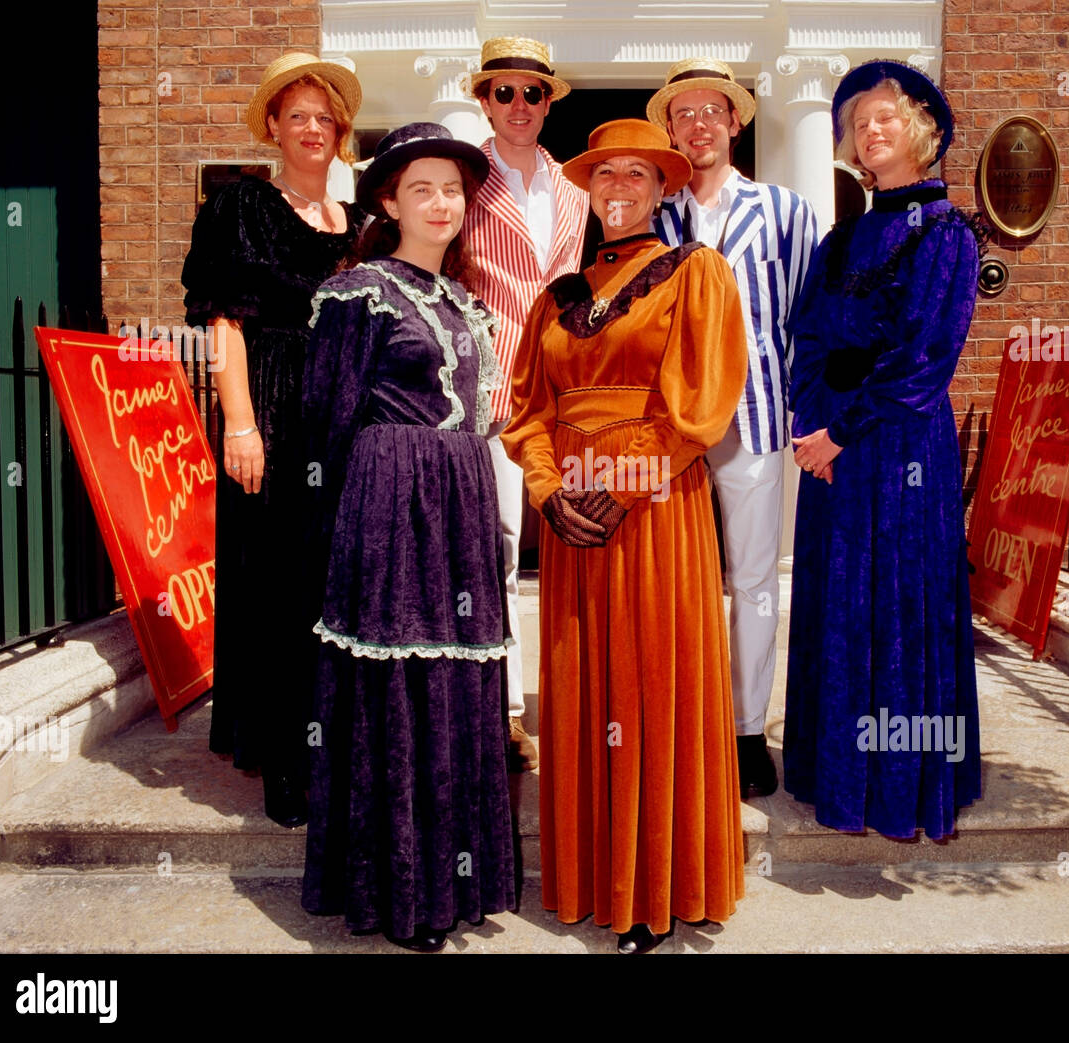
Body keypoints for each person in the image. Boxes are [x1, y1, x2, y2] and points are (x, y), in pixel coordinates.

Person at [502, 119, 749, 954]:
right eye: (604, 173)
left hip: (654, 510)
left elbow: (702, 402)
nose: (618, 186)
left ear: (664, 186)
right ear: (586, 186)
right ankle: (587, 876)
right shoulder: (557, 295)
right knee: (583, 686)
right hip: (573, 512)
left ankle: (658, 888)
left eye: (637, 173)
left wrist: (624, 477)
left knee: (651, 679)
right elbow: (530, 411)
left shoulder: (697, 273)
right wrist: (545, 488)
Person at [298, 123, 515, 953]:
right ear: (389, 202)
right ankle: (399, 891)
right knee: (398, 688)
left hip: (459, 502)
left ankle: (458, 880)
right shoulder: (359, 294)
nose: (440, 203)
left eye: (453, 189)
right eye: (421, 188)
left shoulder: (469, 305)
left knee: (454, 687)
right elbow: (324, 425)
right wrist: (347, 537)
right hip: (389, 506)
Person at [783, 60, 983, 840]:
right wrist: (812, 429)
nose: (871, 130)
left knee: (897, 605)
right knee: (840, 603)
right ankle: (836, 774)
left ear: (923, 131)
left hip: (900, 449)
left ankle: (900, 786)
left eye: (887, 117)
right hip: (831, 453)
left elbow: (924, 359)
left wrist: (842, 431)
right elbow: (804, 336)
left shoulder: (946, 234)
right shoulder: (841, 237)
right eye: (860, 121)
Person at [181, 52, 366, 829]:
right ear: (273, 128)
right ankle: (284, 755)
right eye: (298, 116)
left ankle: (333, 742)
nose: (313, 128)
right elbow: (224, 319)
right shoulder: (243, 209)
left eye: (325, 116)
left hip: (343, 413)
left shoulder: (358, 224)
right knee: (278, 578)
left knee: (332, 580)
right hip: (275, 402)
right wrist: (241, 420)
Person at [648, 57, 818, 797]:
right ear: (671, 129)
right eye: (682, 115)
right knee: (676, 582)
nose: (697, 125)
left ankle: (748, 729)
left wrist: (806, 414)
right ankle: (681, 718)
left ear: (735, 120)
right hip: (674, 425)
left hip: (755, 416)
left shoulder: (786, 210)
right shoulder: (655, 214)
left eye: (710, 111)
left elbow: (808, 323)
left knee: (752, 578)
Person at [462, 36, 589, 773]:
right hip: (489, 395)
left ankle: (574, 697)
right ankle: (506, 712)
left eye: (532, 93)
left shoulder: (575, 193)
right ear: (484, 100)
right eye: (503, 92)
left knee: (574, 545)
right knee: (500, 550)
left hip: (563, 396)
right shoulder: (463, 180)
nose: (518, 106)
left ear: (548, 102)